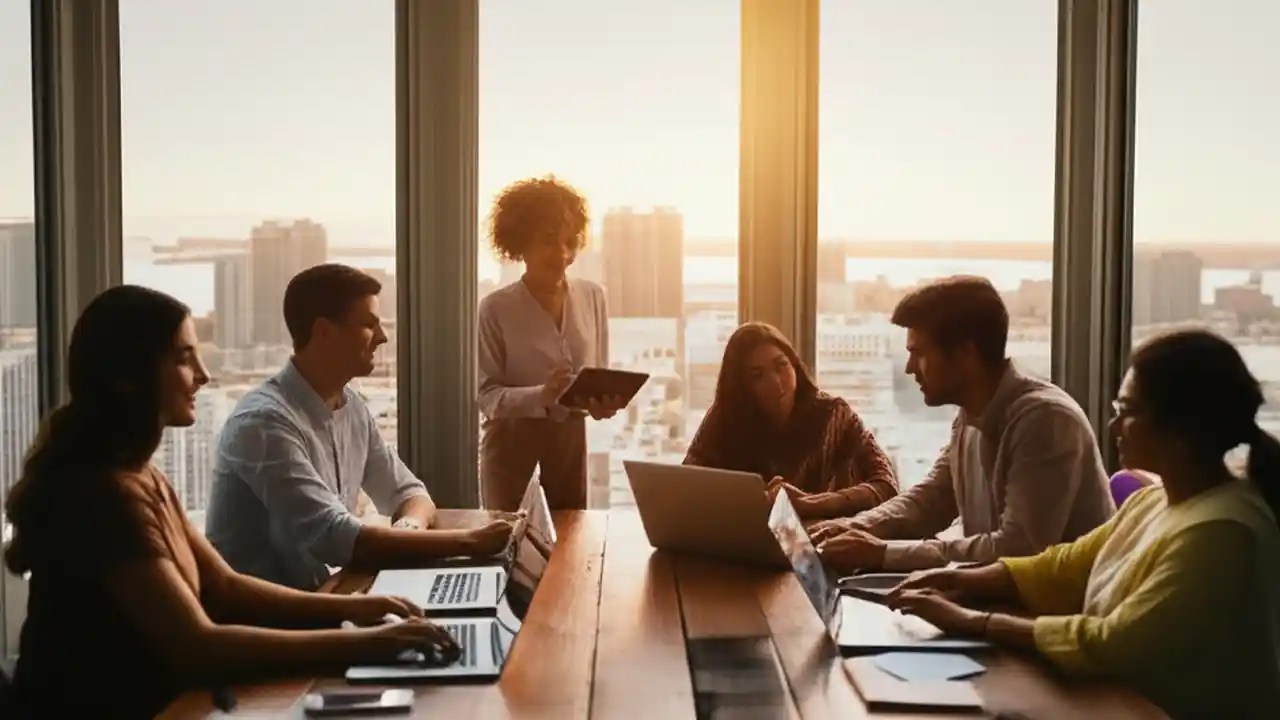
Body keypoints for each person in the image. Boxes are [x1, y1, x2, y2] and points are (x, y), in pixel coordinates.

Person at [3, 286, 458, 719]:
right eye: (184, 358)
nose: (203, 375)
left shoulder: (143, 476)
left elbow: (225, 587)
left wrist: (353, 609)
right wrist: (371, 643)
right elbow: (198, 646)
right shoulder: (104, 496)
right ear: (128, 377)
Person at [887, 329, 1280, 718]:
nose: (1114, 427)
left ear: (1184, 426)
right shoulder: (1153, 501)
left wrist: (975, 622)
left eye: (1129, 412)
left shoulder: (1223, 531)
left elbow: (1113, 644)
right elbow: (1065, 567)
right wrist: (960, 579)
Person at [207, 264, 515, 591]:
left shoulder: (351, 406)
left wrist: (407, 530)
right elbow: (338, 538)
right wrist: (469, 542)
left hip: (325, 598)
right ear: (324, 332)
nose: (382, 337)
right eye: (368, 324)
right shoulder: (263, 425)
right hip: (266, 625)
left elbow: (410, 494)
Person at [812, 276, 1114, 573]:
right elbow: (932, 500)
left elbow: (1018, 549)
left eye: (919, 353)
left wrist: (885, 554)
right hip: (997, 599)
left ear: (966, 353)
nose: (909, 368)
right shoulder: (972, 414)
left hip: (1054, 612)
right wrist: (850, 528)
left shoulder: (1045, 422)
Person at [477, 176, 626, 511]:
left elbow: (596, 376)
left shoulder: (593, 297)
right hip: (511, 445)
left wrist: (601, 403)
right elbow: (487, 397)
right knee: (507, 545)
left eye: (570, 242)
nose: (563, 254)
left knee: (572, 543)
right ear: (520, 243)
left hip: (570, 442)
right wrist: (540, 395)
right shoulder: (496, 308)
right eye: (548, 241)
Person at [684, 322, 898, 519]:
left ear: (795, 365)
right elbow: (686, 485)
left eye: (781, 366)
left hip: (824, 543)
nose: (776, 383)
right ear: (741, 386)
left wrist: (812, 503)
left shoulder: (836, 415)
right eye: (758, 375)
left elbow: (887, 485)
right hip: (742, 543)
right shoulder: (724, 417)